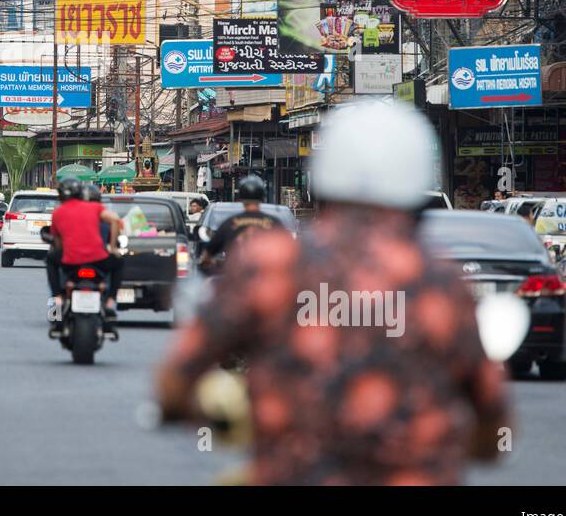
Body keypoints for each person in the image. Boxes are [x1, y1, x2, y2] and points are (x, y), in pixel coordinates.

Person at [155, 100, 510, 485]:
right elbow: (491, 411)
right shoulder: (439, 281)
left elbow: (176, 378)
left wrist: (189, 407)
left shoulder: (273, 265)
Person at [48, 177, 124, 336]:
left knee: (51, 258)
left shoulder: (57, 213)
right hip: (98, 261)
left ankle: (57, 300)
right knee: (119, 261)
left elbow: (58, 244)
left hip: (71, 263)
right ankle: (110, 302)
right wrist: (113, 247)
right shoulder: (94, 208)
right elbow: (116, 220)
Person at [199, 175, 283, 273]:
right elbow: (291, 255)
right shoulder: (275, 223)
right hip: (267, 282)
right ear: (262, 197)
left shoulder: (229, 223)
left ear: (240, 198)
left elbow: (206, 257)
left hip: (235, 282)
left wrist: (219, 263)